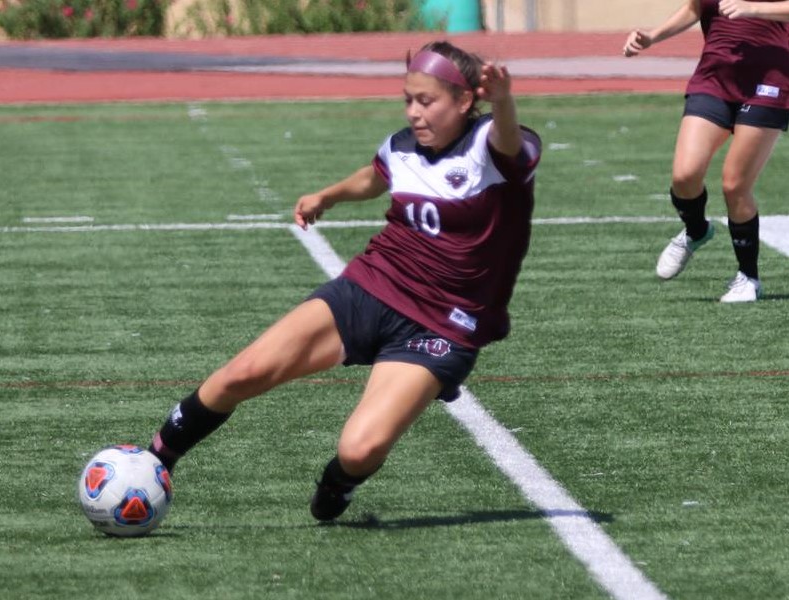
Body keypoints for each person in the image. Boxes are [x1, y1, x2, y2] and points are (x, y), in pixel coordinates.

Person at [146, 40, 542, 522]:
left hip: (440, 326)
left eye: (427, 101)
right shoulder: (402, 147)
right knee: (242, 373)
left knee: (359, 449)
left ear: (464, 101)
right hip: (371, 287)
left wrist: (502, 100)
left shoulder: (492, 146)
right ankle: (155, 459)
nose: (414, 112)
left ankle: (340, 482)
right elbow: (373, 178)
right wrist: (326, 196)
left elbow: (506, 139)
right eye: (408, 99)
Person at [623, 0, 789, 302]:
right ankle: (696, 230)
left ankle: (748, 278)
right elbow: (695, 8)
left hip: (768, 81)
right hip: (714, 78)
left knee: (734, 185)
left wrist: (752, 9)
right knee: (685, 176)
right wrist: (652, 36)